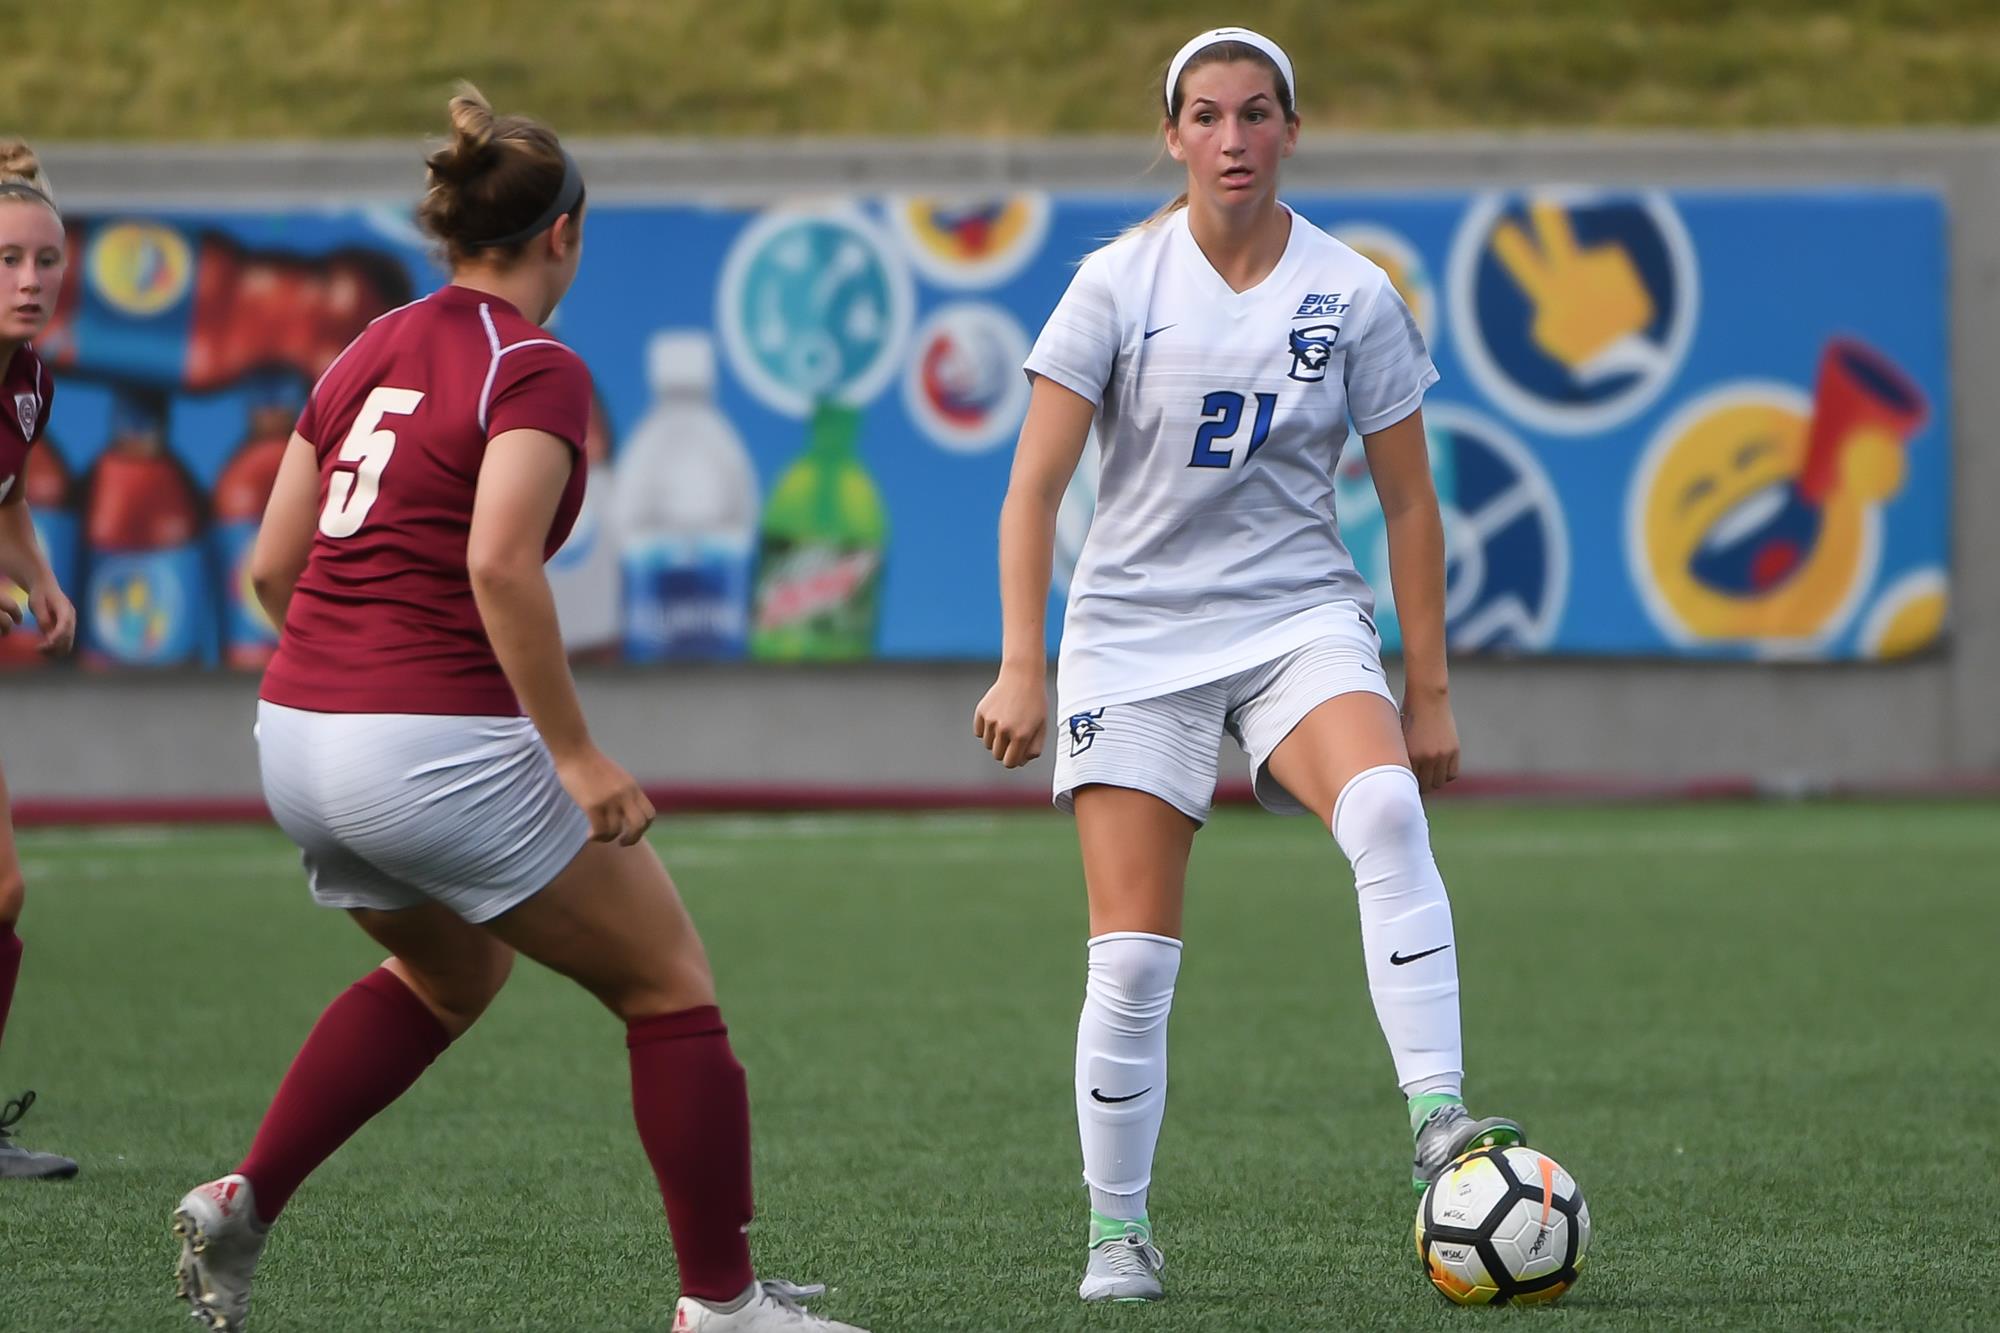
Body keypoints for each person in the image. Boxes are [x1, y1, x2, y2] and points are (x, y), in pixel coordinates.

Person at [170, 87, 866, 1333]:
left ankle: (245, 1193)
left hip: (295, 737)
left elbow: (272, 570)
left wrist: (353, 694)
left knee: (450, 973)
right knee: (668, 986)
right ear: (565, 235)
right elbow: (500, 563)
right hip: (423, 743)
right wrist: (578, 754)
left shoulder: (365, 347)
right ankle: (722, 1304)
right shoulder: (531, 365)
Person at [973, 27, 1527, 1304]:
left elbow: (1408, 505)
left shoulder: (1354, 291)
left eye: (1257, 114)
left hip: (1293, 620)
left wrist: (1424, 689)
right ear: (1171, 136)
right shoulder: (1114, 284)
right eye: (1208, 116)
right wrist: (1022, 662)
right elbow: (1032, 484)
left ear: (1290, 129)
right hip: (1133, 636)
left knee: (1384, 805)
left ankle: (1438, 1118)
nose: (1233, 139)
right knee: (1129, 961)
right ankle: (1119, 1231)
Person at [0, 137, 80, 1182]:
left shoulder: (28, 385)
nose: (30, 280)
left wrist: (40, 575)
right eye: (8, 259)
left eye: (46, 259)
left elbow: (8, 499)